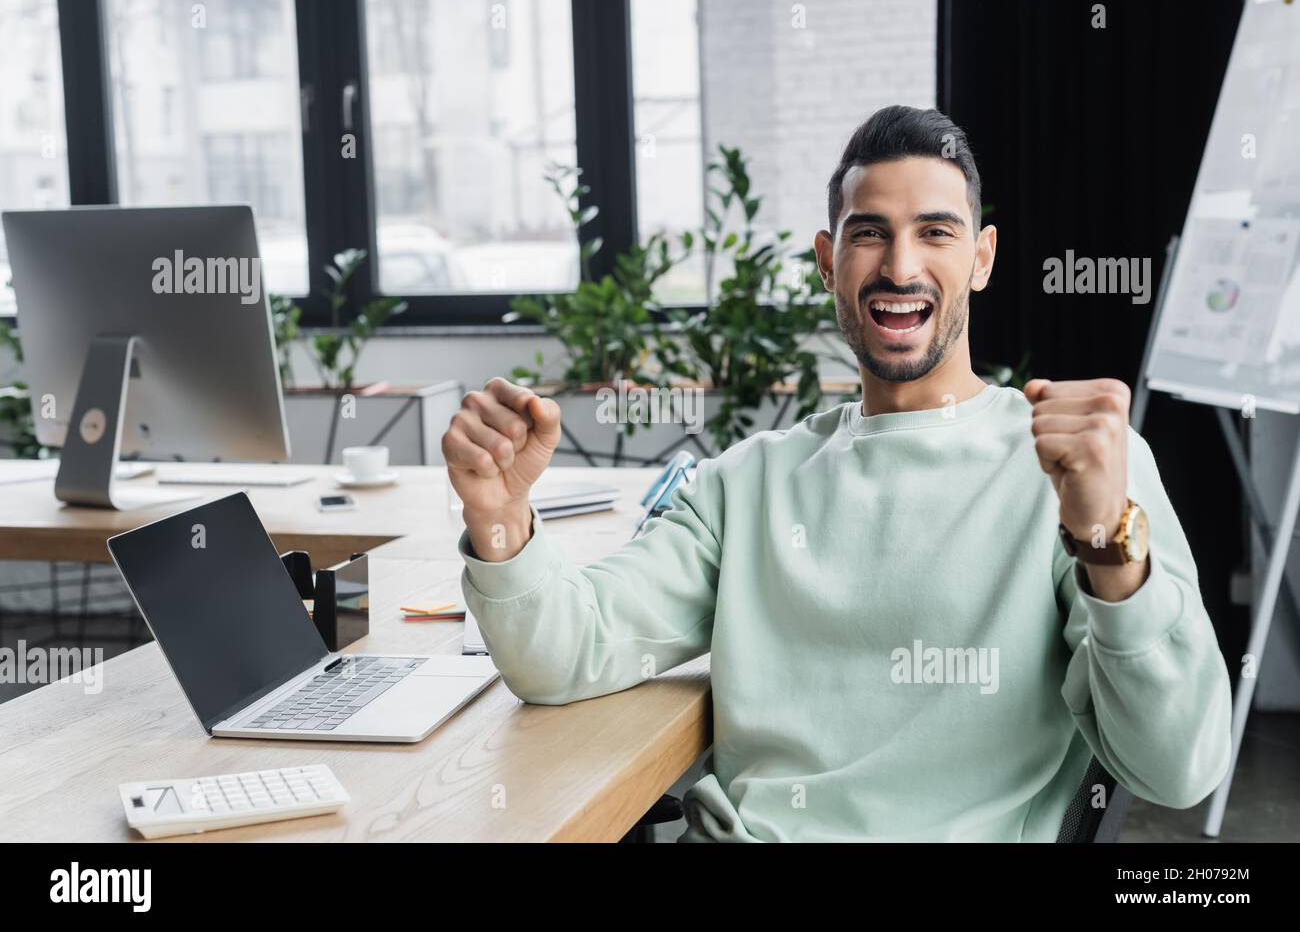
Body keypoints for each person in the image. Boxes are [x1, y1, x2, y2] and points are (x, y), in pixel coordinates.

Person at [440, 105, 1232, 842]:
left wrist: (1107, 548)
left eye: (936, 233)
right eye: (869, 234)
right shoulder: (744, 484)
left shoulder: (1073, 471)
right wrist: (499, 516)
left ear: (982, 258)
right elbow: (567, 652)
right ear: (828, 261)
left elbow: (1177, 767)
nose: (900, 265)